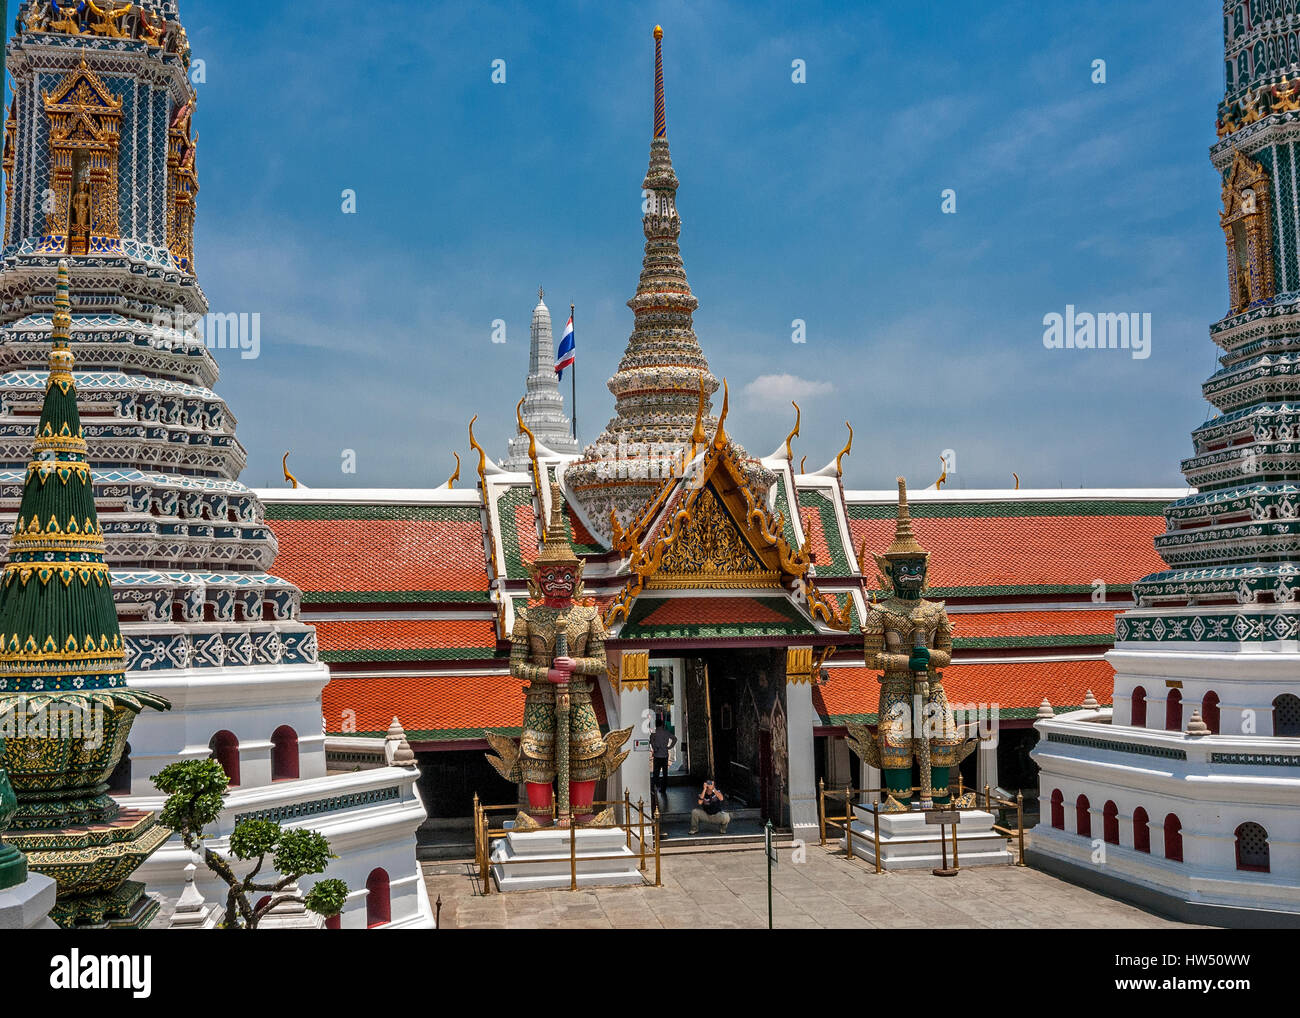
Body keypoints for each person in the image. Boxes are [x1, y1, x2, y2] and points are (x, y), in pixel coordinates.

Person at [648, 717, 677, 804]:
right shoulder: (666, 732)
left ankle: (654, 788)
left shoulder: (653, 734)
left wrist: (654, 748)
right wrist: (670, 747)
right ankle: (663, 789)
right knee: (665, 774)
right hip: (664, 755)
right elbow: (675, 739)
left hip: (657, 756)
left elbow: (651, 742)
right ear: (662, 724)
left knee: (655, 773)